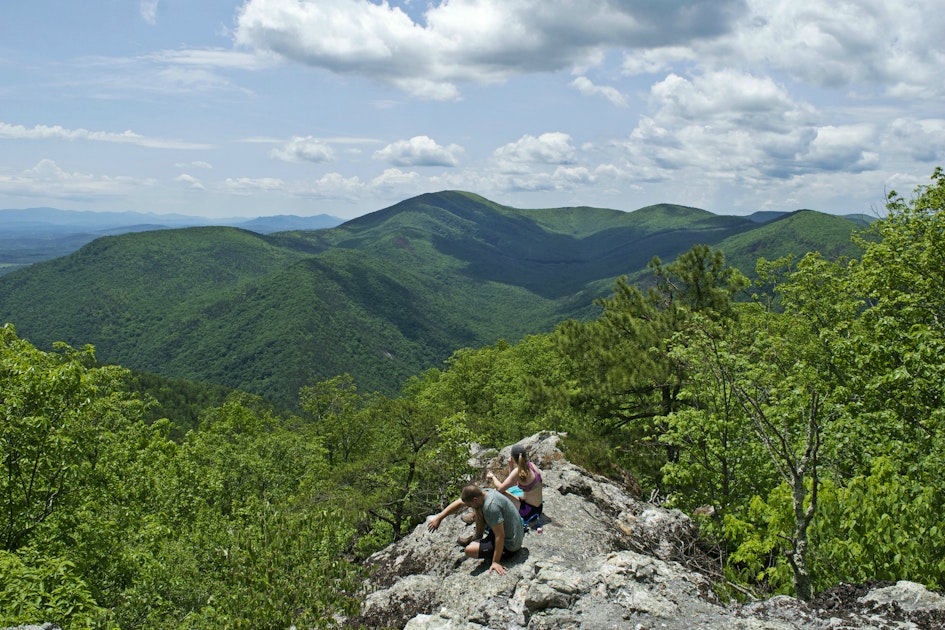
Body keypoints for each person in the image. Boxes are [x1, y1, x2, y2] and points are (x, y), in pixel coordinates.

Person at [427, 484, 524, 575]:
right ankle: (477, 537)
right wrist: (440, 518)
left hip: (510, 543)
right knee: (478, 509)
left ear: (474, 499)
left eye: (469, 505)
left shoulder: (490, 507)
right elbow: (459, 503)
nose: (469, 507)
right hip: (508, 529)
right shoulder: (485, 493)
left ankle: (491, 548)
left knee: (469, 550)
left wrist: (495, 562)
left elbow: (500, 536)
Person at [486, 443, 543, 526]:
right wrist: (511, 465)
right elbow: (515, 482)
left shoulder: (518, 471)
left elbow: (500, 489)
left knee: (496, 493)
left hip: (528, 511)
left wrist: (492, 477)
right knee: (512, 491)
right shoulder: (532, 466)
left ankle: (478, 517)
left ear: (512, 457)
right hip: (538, 508)